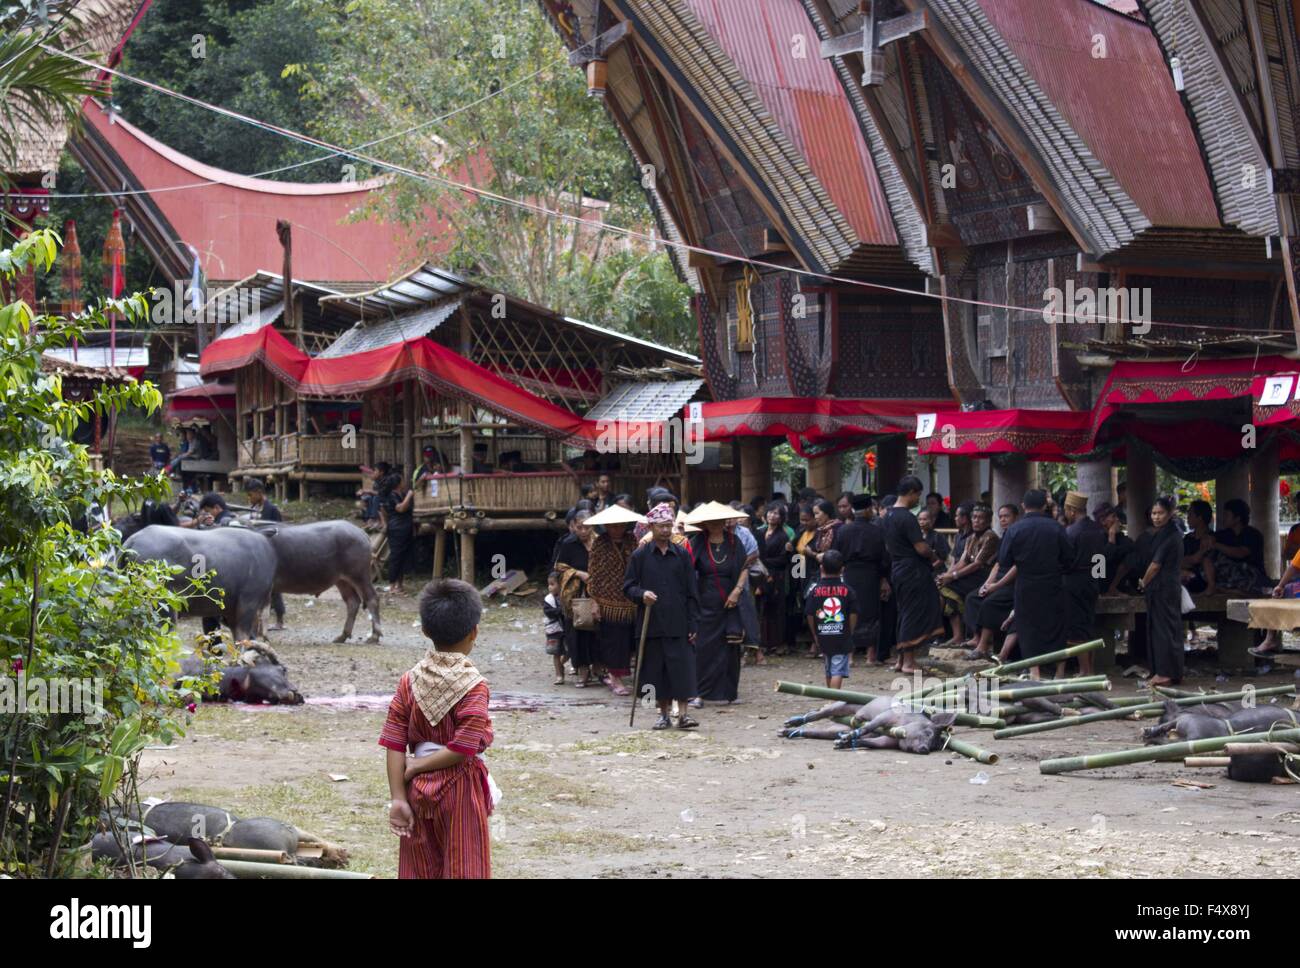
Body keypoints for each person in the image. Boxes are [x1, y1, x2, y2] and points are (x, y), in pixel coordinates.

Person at [381, 579, 494, 879]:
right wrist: (417, 764)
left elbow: (394, 741)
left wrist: (398, 798)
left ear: (425, 631)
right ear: (474, 632)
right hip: (461, 791)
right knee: (465, 868)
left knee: (418, 870)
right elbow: (464, 748)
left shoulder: (409, 680)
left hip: (416, 791)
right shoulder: (474, 685)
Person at [623, 502, 700, 729]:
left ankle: (684, 715)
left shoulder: (683, 554)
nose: (666, 530)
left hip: (679, 621)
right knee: (656, 671)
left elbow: (691, 591)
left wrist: (693, 622)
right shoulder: (640, 556)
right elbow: (627, 587)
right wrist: (641, 593)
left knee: (682, 670)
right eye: (661, 526)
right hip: (652, 622)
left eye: (669, 526)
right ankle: (663, 714)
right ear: (651, 527)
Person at [997, 489, 1071, 676]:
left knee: (1028, 627)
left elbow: (1004, 560)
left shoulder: (1014, 529)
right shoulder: (1056, 528)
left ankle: (1035, 672)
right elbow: (1069, 558)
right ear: (1045, 505)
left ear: (1023, 506)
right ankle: (1058, 673)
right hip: (1052, 583)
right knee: (1055, 626)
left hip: (1026, 584)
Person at [882, 476, 944, 674]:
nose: (919, 498)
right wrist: (933, 555)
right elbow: (921, 548)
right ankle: (909, 662)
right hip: (912, 570)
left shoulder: (888, 515)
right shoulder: (907, 517)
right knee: (914, 612)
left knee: (905, 611)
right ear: (911, 493)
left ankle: (901, 660)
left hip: (898, 568)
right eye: (918, 494)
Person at [689, 504, 749, 703]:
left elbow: (744, 567)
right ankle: (699, 693)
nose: (715, 524)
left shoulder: (734, 541)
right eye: (711, 521)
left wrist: (737, 591)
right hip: (705, 603)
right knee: (703, 648)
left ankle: (729, 693)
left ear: (725, 522)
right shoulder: (697, 542)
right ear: (704, 523)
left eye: (719, 521)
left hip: (731, 602)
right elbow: (687, 570)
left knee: (730, 648)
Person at [585, 505, 644, 696]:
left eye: (620, 525)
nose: (617, 528)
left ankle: (629, 675)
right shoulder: (600, 543)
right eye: (613, 525)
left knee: (630, 640)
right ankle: (614, 676)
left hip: (631, 599)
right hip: (607, 601)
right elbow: (594, 573)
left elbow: (639, 566)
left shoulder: (632, 540)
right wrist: (594, 601)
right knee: (613, 641)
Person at [832, 493, 889, 665]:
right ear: (867, 510)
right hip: (871, 575)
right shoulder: (877, 531)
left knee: (849, 612)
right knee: (871, 614)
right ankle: (870, 655)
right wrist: (884, 578)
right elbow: (884, 558)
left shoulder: (843, 531)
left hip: (849, 574)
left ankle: (849, 655)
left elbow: (836, 554)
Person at [962, 504, 1020, 660]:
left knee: (989, 603)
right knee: (973, 597)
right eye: (1000, 517)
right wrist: (987, 584)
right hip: (998, 578)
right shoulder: (1004, 537)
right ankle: (976, 637)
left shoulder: (1018, 535)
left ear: (1016, 517)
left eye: (1006, 516)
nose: (1003, 520)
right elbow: (997, 564)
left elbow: (1017, 566)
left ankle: (983, 646)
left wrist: (996, 586)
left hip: (1012, 582)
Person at [938, 503, 998, 648]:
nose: (976, 521)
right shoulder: (971, 537)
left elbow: (977, 564)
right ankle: (957, 635)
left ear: (988, 521)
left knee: (954, 588)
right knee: (943, 586)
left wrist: (953, 576)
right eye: (974, 517)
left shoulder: (990, 537)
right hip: (970, 575)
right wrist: (947, 575)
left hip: (984, 575)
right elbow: (963, 560)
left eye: (980, 518)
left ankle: (974, 636)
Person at [1140, 497, 1185, 686]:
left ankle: (1165, 673)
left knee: (1163, 630)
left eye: (1160, 513)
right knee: (1169, 629)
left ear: (1170, 514)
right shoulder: (1167, 533)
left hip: (1163, 588)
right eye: (1153, 513)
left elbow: (1155, 565)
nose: (1156, 517)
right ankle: (1169, 671)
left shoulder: (1170, 535)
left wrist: (1143, 582)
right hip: (1166, 587)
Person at [1062, 491, 1106, 677]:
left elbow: (1065, 562)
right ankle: (1091, 668)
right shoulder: (1097, 529)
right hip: (1092, 582)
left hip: (1073, 582)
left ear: (1071, 510)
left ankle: (1084, 670)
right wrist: (1099, 582)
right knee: (1088, 624)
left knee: (1076, 627)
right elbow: (1101, 558)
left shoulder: (1071, 532)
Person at [554, 508, 598, 687]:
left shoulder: (599, 542)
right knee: (577, 633)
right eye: (579, 527)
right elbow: (559, 567)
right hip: (576, 596)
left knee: (597, 632)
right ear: (574, 526)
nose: (583, 531)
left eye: (586, 527)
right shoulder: (569, 543)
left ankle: (599, 668)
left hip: (597, 592)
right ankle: (582, 671)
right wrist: (578, 574)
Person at [805, 549, 859, 689]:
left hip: (823, 635)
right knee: (837, 671)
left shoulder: (815, 591)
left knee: (829, 667)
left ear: (821, 568)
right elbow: (853, 614)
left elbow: (810, 614)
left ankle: (830, 698)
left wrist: (815, 634)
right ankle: (833, 701)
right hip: (841, 636)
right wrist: (849, 631)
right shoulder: (848, 590)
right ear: (842, 570)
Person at [1208, 498, 1270, 593]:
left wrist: (1216, 545)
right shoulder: (1223, 534)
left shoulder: (1252, 534)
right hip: (1229, 576)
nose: (1223, 518)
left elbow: (1240, 553)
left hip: (1251, 575)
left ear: (1237, 518)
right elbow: (1208, 542)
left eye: (1227, 515)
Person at [757, 504, 794, 657]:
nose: (773, 516)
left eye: (777, 514)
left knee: (776, 609)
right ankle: (763, 643)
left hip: (776, 575)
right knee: (762, 609)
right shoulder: (760, 532)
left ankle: (776, 643)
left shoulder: (783, 535)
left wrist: (764, 562)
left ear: (781, 518)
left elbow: (783, 559)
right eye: (771, 512)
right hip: (759, 573)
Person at [381, 477, 417, 593]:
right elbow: (400, 508)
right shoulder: (393, 495)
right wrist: (409, 495)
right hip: (397, 528)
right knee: (396, 556)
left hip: (405, 527)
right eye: (402, 480)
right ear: (397, 483)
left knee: (403, 556)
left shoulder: (401, 494)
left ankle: (399, 585)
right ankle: (392, 585)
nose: (404, 482)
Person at [1180, 500, 1217, 595]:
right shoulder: (1188, 538)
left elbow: (1197, 560)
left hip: (1202, 579)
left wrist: (1189, 561)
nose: (1187, 518)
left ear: (1199, 518)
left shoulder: (1211, 538)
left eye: (1190, 514)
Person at [543, 571, 566, 686]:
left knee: (569, 651)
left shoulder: (566, 596)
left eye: (553, 584)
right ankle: (559, 675)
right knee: (555, 653)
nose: (550, 587)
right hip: (553, 631)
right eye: (549, 584)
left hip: (566, 630)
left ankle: (563, 665)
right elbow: (548, 612)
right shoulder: (548, 599)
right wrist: (560, 610)